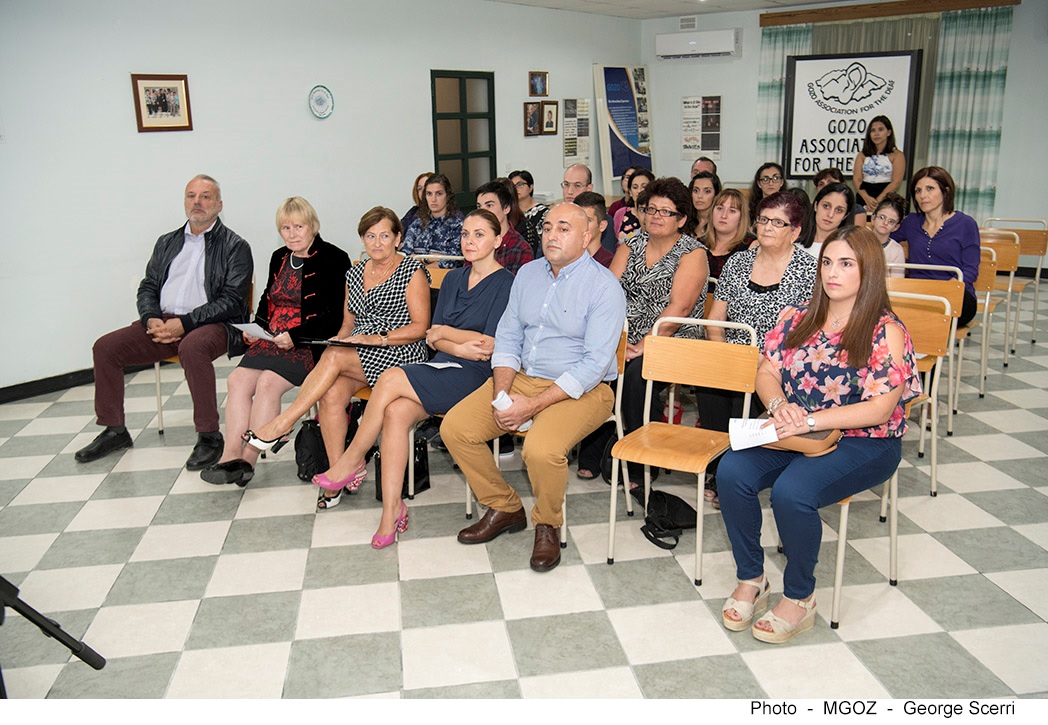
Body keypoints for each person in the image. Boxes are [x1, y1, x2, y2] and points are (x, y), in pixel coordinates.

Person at [718, 225, 921, 644]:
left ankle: (800, 596)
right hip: (796, 431)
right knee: (731, 470)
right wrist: (779, 406)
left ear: (869, 271)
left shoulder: (887, 330)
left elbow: (880, 407)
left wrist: (810, 420)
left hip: (866, 441)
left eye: (846, 263)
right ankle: (752, 576)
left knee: (792, 493)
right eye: (828, 262)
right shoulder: (797, 315)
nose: (833, 272)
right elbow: (767, 371)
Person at [441, 203, 626, 572]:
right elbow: (508, 337)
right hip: (524, 375)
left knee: (540, 451)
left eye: (564, 228)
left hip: (585, 388)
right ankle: (505, 507)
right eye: (547, 228)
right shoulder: (527, 274)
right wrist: (503, 395)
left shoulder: (604, 287)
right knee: (456, 428)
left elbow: (593, 364)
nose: (552, 235)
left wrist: (533, 406)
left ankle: (547, 524)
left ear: (587, 236)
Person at [314, 210, 513, 543]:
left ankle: (351, 460)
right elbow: (432, 335)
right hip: (443, 365)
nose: (469, 241)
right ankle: (392, 513)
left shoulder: (507, 283)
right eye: (465, 234)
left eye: (479, 234)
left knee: (391, 379)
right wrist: (456, 341)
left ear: (498, 240)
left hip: (477, 375)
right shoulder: (451, 279)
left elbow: (489, 345)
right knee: (395, 412)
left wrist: (451, 338)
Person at [76, 175, 252, 469]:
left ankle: (209, 436)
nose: (197, 202)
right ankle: (114, 430)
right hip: (165, 321)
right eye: (191, 195)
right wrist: (151, 318)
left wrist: (186, 323)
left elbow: (233, 300)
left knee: (193, 348)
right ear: (184, 202)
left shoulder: (236, 246)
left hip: (215, 324)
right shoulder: (167, 242)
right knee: (105, 347)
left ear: (219, 205)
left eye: (206, 196)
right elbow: (148, 287)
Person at [244, 207, 431, 472]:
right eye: (370, 236)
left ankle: (284, 422)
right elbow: (347, 325)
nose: (377, 243)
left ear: (398, 238)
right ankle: (340, 471)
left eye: (384, 236)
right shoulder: (354, 274)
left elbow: (420, 327)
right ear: (363, 240)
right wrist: (340, 340)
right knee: (330, 393)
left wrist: (377, 339)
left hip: (399, 351)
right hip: (361, 354)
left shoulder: (412, 271)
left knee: (333, 356)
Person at [202, 197, 348, 486]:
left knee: (268, 382)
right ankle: (230, 454)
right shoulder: (279, 256)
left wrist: (294, 336)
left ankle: (248, 458)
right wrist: (255, 328)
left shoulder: (334, 257)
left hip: (308, 344)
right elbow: (268, 302)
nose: (292, 233)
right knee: (237, 381)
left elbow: (335, 317)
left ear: (313, 226)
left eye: (298, 226)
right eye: (286, 227)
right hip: (271, 340)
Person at [577, 178, 708, 483]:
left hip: (673, 339)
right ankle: (598, 446)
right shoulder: (632, 244)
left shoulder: (693, 253)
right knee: (596, 362)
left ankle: (638, 459)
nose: (656, 216)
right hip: (626, 335)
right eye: (651, 209)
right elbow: (607, 294)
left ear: (682, 219)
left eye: (666, 211)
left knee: (635, 375)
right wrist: (610, 339)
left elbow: (681, 308)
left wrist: (645, 343)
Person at [701, 191, 819, 504]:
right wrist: (728, 355)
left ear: (795, 231)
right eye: (763, 219)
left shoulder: (810, 271)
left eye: (777, 223)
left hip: (782, 363)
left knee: (758, 389)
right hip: (734, 354)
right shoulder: (738, 263)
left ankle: (754, 469)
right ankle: (718, 467)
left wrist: (765, 365)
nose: (766, 227)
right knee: (711, 387)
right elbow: (715, 320)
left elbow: (810, 332)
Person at [896, 166, 979, 326]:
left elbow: (971, 270)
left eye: (930, 189)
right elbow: (885, 239)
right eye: (918, 191)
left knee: (926, 317)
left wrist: (944, 290)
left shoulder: (965, 224)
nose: (922, 196)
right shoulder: (911, 222)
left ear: (945, 191)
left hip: (954, 293)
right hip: (918, 293)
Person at [402, 173, 464, 267]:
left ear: (447, 196)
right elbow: (405, 255)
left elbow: (452, 261)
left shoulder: (457, 226)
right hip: (416, 278)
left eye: (439, 194)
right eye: (429, 194)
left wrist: (419, 260)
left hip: (445, 279)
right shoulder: (417, 224)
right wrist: (428, 259)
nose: (433, 199)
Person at [475, 180, 533, 275]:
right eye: (479, 206)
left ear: (506, 208)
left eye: (489, 205)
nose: (483, 212)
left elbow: (520, 287)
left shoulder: (520, 248)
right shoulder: (476, 242)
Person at [853, 115, 906, 212]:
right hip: (864, 196)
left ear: (888, 132)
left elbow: (896, 181)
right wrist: (866, 198)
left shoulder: (897, 155)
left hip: (886, 196)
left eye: (880, 129)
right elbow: (857, 179)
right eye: (873, 130)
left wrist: (879, 200)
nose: (876, 133)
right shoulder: (862, 155)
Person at [562, 163, 616, 253]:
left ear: (589, 188)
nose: (570, 191)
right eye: (566, 184)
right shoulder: (556, 217)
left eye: (577, 186)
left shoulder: (602, 220)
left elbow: (606, 258)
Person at [703, 188, 754, 282]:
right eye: (719, 208)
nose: (723, 215)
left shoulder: (751, 246)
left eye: (732, 211)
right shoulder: (699, 244)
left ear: (741, 217)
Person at [804, 182, 855, 259]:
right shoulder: (794, 244)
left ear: (845, 215)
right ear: (816, 206)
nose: (830, 215)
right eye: (826, 206)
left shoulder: (849, 249)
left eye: (839, 210)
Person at [509, 170, 548, 258]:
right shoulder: (508, 212)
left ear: (531, 187)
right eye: (513, 186)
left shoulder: (543, 213)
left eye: (520, 185)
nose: (516, 189)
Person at [573, 192, 614, 267]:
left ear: (602, 226)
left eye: (588, 220)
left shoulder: (610, 264)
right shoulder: (565, 259)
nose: (580, 225)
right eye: (576, 220)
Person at [615, 168, 655, 244]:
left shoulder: (656, 214)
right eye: (635, 187)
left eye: (644, 187)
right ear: (630, 191)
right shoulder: (620, 214)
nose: (639, 191)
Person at [870, 194, 906, 278]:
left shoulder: (897, 251)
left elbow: (897, 282)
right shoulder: (859, 241)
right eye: (882, 217)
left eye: (891, 221)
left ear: (896, 227)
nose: (885, 223)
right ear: (873, 218)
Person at [687, 171, 722, 240]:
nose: (700, 196)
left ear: (716, 195)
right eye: (696, 191)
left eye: (707, 191)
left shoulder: (720, 223)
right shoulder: (684, 220)